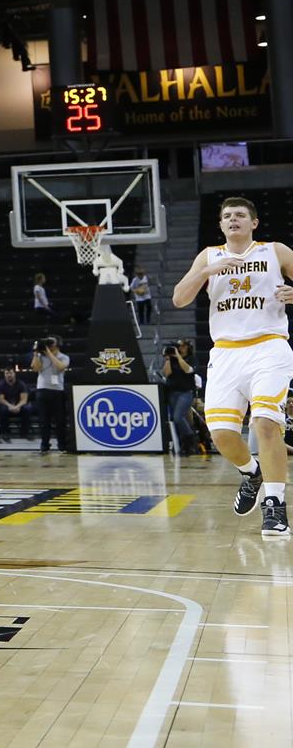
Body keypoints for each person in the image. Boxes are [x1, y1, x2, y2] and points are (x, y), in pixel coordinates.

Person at [171, 196, 293, 537]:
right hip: (225, 352)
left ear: (253, 223)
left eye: (240, 215)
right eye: (227, 216)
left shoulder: (275, 251)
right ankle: (251, 472)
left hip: (269, 346)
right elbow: (179, 299)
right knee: (222, 434)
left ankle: (274, 506)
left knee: (265, 422)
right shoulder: (209, 256)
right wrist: (206, 272)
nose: (233, 219)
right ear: (221, 225)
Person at [31, 336, 72, 454]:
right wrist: (36, 353)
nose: (48, 344)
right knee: (44, 420)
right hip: (42, 390)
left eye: (51, 342)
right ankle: (44, 445)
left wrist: (49, 353)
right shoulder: (40, 356)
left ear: (58, 344)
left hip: (57, 390)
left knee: (60, 420)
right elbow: (35, 369)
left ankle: (62, 445)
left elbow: (60, 367)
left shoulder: (64, 357)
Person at [162, 341, 201, 455]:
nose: (180, 348)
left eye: (183, 346)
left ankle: (191, 441)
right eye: (179, 346)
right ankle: (182, 446)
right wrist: (168, 358)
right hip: (172, 392)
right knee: (175, 420)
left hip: (186, 392)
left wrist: (179, 356)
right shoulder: (172, 360)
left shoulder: (192, 359)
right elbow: (167, 373)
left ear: (188, 347)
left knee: (178, 417)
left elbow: (188, 370)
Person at [0, 366, 33, 442]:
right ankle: (5, 433)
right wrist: (10, 406)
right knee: (3, 410)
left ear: (14, 374)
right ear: (4, 375)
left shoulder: (21, 384)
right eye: (7, 373)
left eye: (10, 372)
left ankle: (25, 433)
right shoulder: (0, 384)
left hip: (18, 404)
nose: (9, 375)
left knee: (26, 409)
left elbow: (24, 399)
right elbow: (1, 400)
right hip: (5, 404)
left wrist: (17, 406)